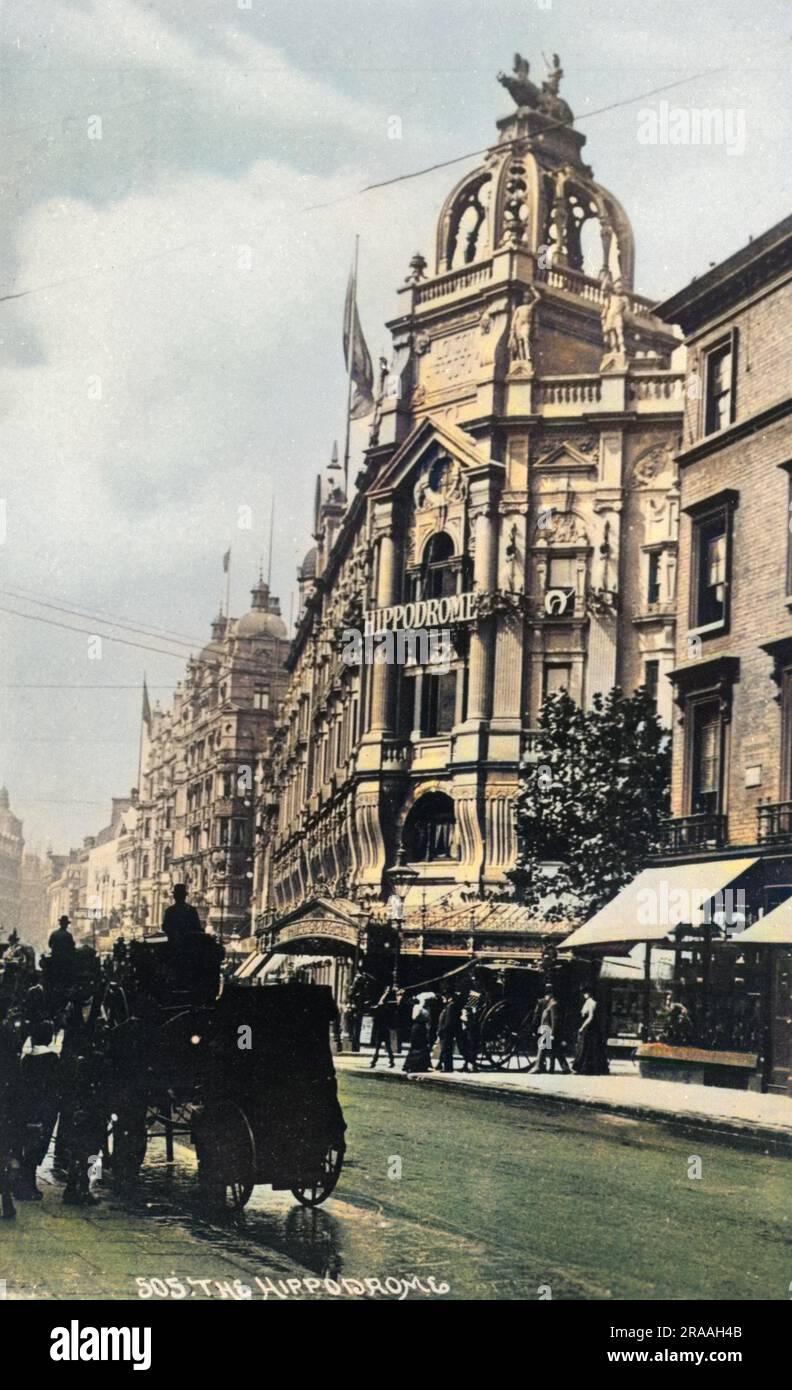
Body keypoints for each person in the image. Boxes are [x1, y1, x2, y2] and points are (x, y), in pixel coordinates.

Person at [17, 1020, 60, 1200]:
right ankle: (28, 1185)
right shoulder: (52, 1059)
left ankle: (23, 1183)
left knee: (28, 1145)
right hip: (45, 1109)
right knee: (38, 1146)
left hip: (28, 1108)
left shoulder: (27, 1060)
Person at [529, 990, 570, 1074]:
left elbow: (554, 1020)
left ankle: (538, 1066)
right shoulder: (549, 1005)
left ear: (551, 995)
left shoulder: (553, 1005)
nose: (546, 997)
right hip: (546, 1030)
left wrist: (553, 1034)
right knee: (556, 1049)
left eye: (547, 995)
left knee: (543, 1047)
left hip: (548, 1031)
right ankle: (565, 1068)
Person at [572, 988, 609, 1075]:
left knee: (587, 1047)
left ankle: (586, 1068)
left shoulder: (590, 1003)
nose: (584, 995)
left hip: (590, 1029)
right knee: (590, 1048)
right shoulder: (590, 1002)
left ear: (588, 993)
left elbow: (590, 1017)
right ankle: (589, 1068)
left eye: (585, 993)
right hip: (593, 1028)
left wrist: (582, 1027)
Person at [370, 983, 400, 1069]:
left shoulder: (380, 1009)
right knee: (388, 1046)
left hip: (380, 1029)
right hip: (385, 1029)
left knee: (378, 1047)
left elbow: (380, 1002)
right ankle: (391, 1061)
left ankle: (374, 1062)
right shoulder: (389, 1010)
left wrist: (386, 993)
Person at [403, 1000, 432, 1075]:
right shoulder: (417, 1007)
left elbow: (428, 1020)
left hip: (423, 1027)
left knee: (423, 1047)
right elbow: (414, 1017)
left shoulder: (427, 1008)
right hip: (417, 1027)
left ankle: (421, 1065)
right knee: (416, 1046)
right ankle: (411, 1065)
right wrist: (420, 1007)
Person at [437, 992, 463, 1074]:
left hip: (446, 1032)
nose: (443, 998)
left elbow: (448, 1021)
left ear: (450, 998)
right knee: (444, 1050)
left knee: (446, 1050)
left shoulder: (451, 1007)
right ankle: (443, 1065)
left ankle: (448, 1067)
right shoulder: (448, 1006)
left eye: (445, 996)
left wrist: (442, 1030)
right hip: (445, 1032)